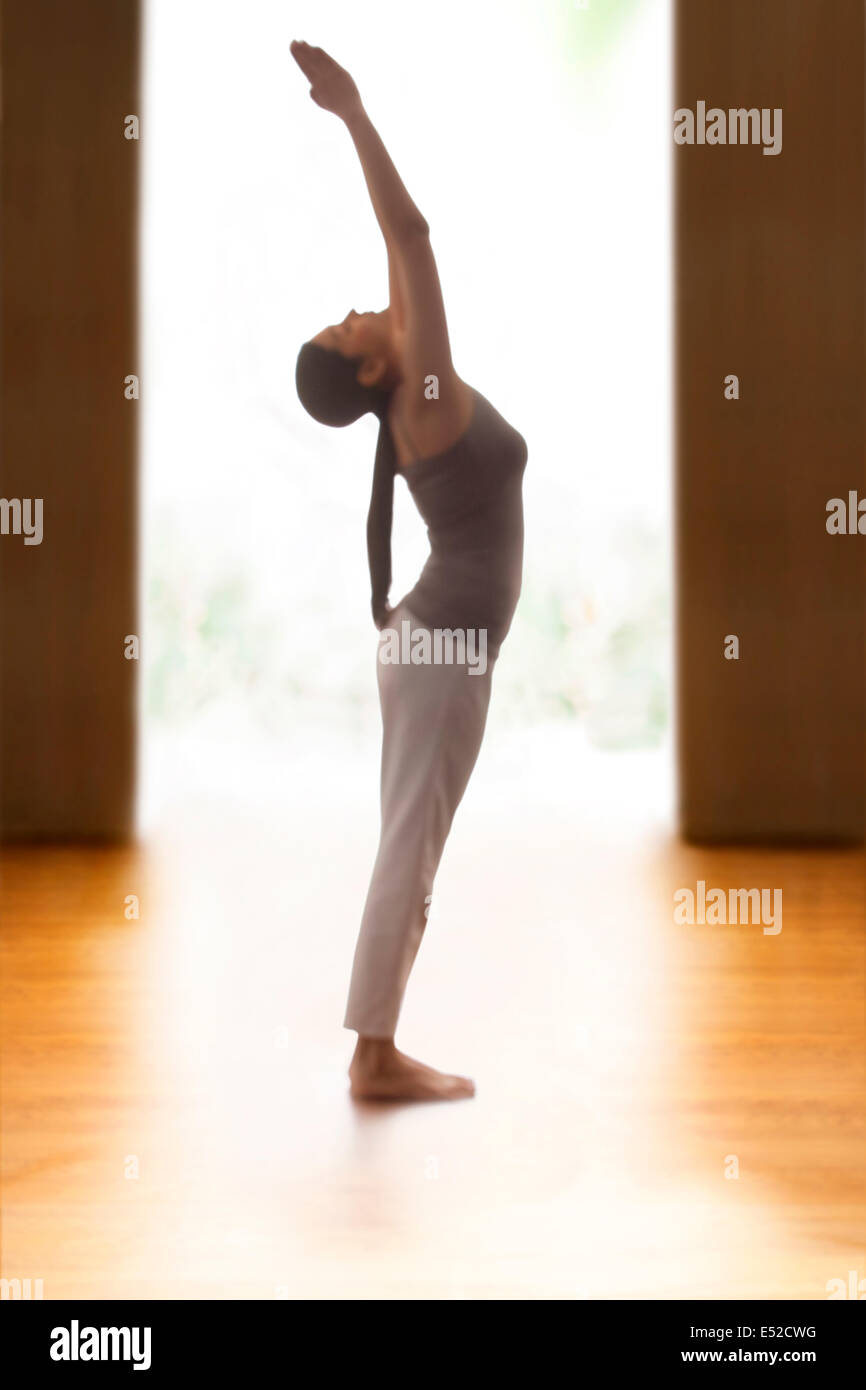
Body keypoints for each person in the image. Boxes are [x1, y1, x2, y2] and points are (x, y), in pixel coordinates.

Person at [291, 41, 528, 1100]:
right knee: (409, 846)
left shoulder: (410, 391)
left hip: (430, 643)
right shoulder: (421, 394)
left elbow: (399, 257)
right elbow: (413, 237)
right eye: (346, 324)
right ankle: (373, 1056)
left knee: (411, 841)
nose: (357, 304)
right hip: (436, 649)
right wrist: (350, 113)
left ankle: (375, 1049)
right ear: (372, 366)